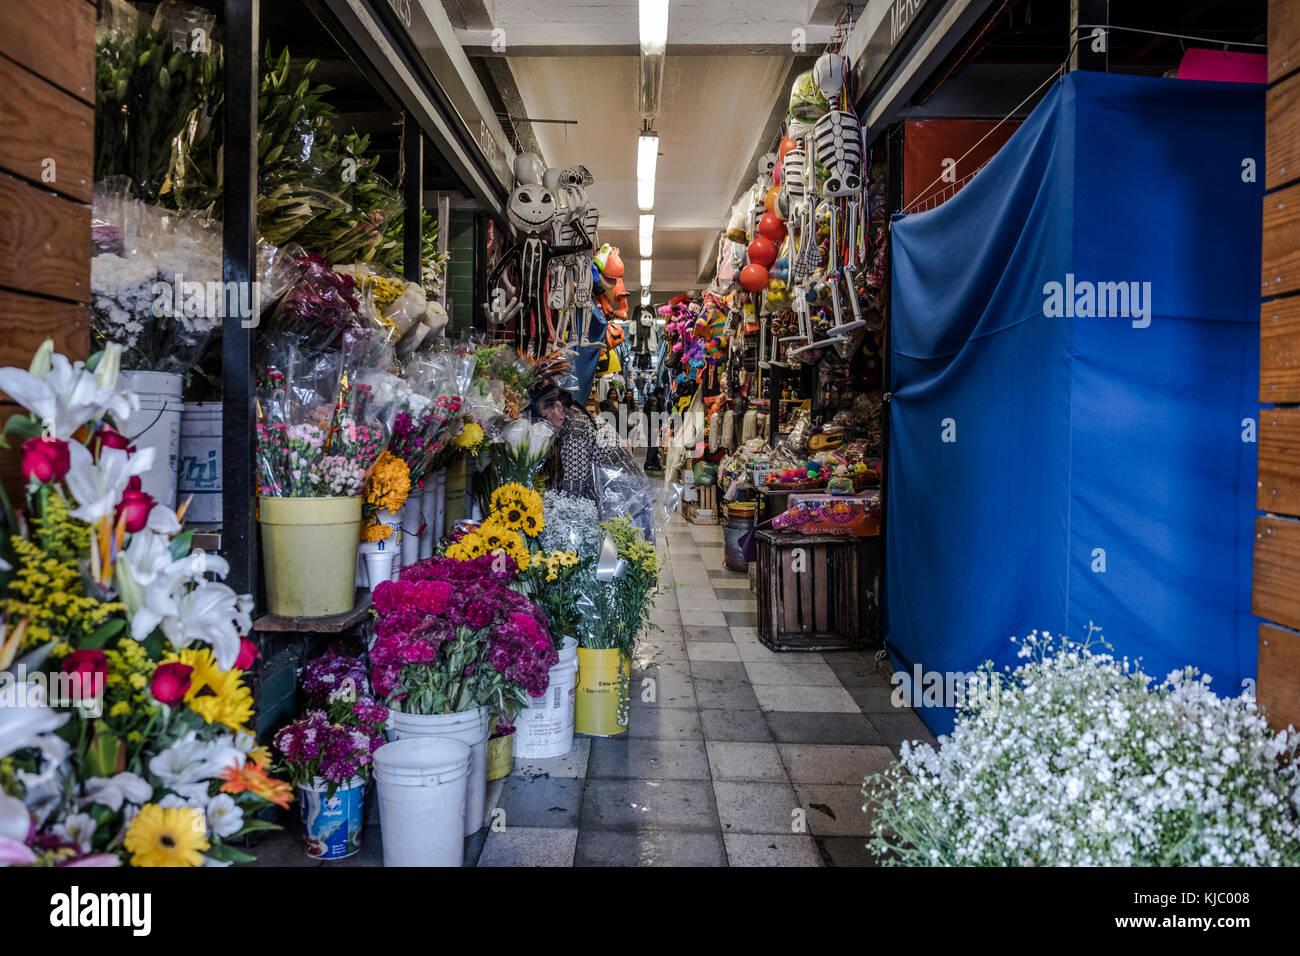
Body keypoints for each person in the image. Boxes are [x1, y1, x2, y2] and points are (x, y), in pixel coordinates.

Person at [533, 382, 656, 536]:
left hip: (624, 497)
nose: (547, 423)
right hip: (631, 492)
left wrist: (561, 516)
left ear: (558, 406)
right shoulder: (577, 415)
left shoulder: (575, 428)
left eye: (545, 416)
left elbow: (575, 482)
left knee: (631, 549)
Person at [643, 386, 665, 473]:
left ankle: (653, 463)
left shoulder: (652, 398)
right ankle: (648, 464)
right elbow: (654, 414)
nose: (663, 396)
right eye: (662, 394)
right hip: (651, 426)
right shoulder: (655, 400)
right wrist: (655, 427)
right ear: (659, 393)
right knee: (653, 445)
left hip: (649, 425)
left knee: (653, 445)